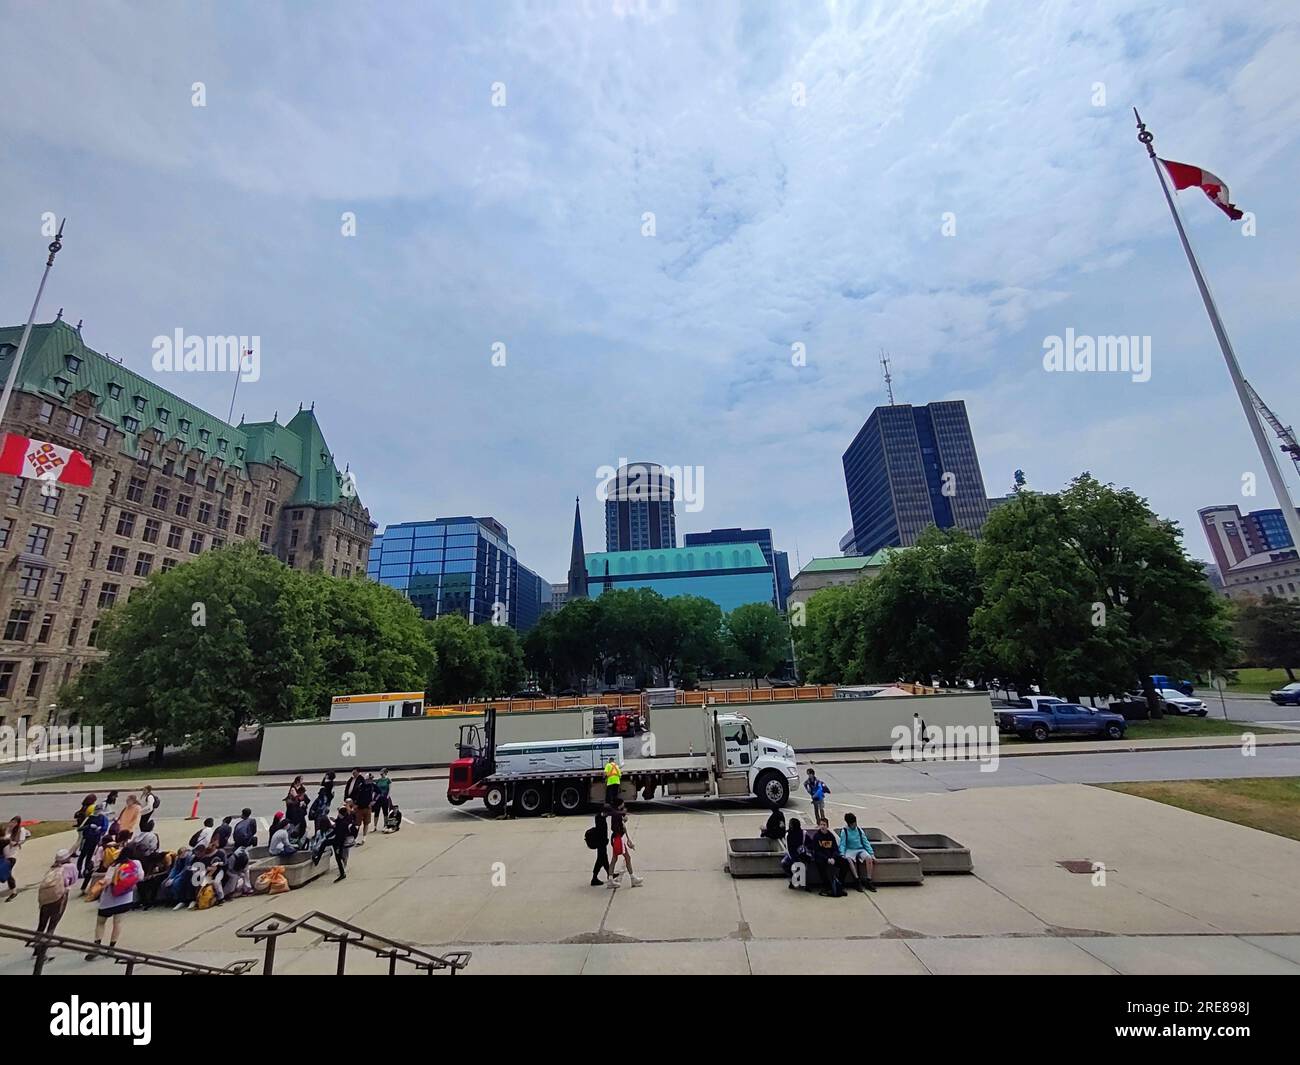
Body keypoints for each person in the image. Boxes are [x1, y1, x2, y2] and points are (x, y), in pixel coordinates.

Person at [86, 849, 144, 959]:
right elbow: (140, 877)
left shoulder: (114, 865)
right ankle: (111, 948)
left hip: (109, 898)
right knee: (118, 923)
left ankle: (97, 946)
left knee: (101, 922)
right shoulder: (136, 863)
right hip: (125, 898)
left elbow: (107, 880)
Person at [35, 849, 76, 942]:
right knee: (52, 925)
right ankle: (42, 952)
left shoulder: (53, 868)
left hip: (45, 898)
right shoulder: (71, 867)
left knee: (41, 925)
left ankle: (36, 947)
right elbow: (73, 880)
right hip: (60, 897)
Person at [838, 813, 877, 893]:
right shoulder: (844, 831)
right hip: (850, 850)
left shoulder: (859, 830)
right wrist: (842, 853)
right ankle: (856, 880)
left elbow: (865, 842)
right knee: (849, 860)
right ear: (849, 824)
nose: (855, 825)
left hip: (860, 849)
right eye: (853, 824)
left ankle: (868, 880)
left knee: (868, 858)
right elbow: (842, 844)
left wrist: (871, 853)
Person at [607, 800, 642, 888]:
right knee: (627, 857)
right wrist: (622, 822)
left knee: (615, 859)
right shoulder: (617, 815)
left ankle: (610, 879)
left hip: (616, 839)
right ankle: (632, 878)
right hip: (618, 839)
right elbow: (618, 828)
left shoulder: (615, 814)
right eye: (623, 807)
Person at [809, 818, 846, 897]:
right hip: (822, 858)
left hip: (831, 857)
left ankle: (840, 883)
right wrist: (827, 859)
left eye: (824, 825)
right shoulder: (816, 836)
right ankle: (827, 886)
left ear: (827, 826)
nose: (822, 826)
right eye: (821, 825)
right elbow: (817, 851)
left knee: (845, 863)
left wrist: (833, 858)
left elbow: (835, 849)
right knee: (820, 864)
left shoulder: (831, 836)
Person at [76, 805, 108, 888]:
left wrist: (100, 829)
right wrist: (89, 826)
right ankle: (78, 871)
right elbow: (79, 828)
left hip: (95, 840)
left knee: (89, 856)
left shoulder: (102, 818)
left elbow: (105, 827)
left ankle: (86, 870)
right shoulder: (90, 818)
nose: (99, 812)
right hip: (87, 840)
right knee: (82, 855)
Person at [2, 816, 31, 901]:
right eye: (12, 821)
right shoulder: (6, 829)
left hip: (12, 856)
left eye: (15, 822)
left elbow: (25, 837)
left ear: (18, 824)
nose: (12, 824)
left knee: (7, 873)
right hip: (3, 855)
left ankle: (14, 892)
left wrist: (15, 843)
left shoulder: (21, 830)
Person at [330, 805, 355, 882]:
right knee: (342, 853)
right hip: (341, 839)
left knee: (345, 853)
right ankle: (343, 867)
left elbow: (345, 828)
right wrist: (335, 821)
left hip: (345, 839)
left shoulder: (348, 819)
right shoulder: (341, 818)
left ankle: (344, 867)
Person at [588, 807, 611, 886]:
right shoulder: (600, 819)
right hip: (601, 843)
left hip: (602, 843)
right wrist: (605, 841)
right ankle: (597, 878)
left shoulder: (600, 817)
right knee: (602, 860)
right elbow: (602, 833)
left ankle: (609, 874)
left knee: (602, 859)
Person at [350, 774, 374, 842]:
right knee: (357, 824)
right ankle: (355, 838)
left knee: (366, 823)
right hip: (359, 808)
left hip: (367, 808)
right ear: (366, 779)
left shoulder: (372, 786)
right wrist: (354, 804)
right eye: (370, 779)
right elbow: (354, 795)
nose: (371, 780)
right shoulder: (360, 786)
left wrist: (373, 801)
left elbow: (379, 793)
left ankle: (364, 837)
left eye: (371, 779)